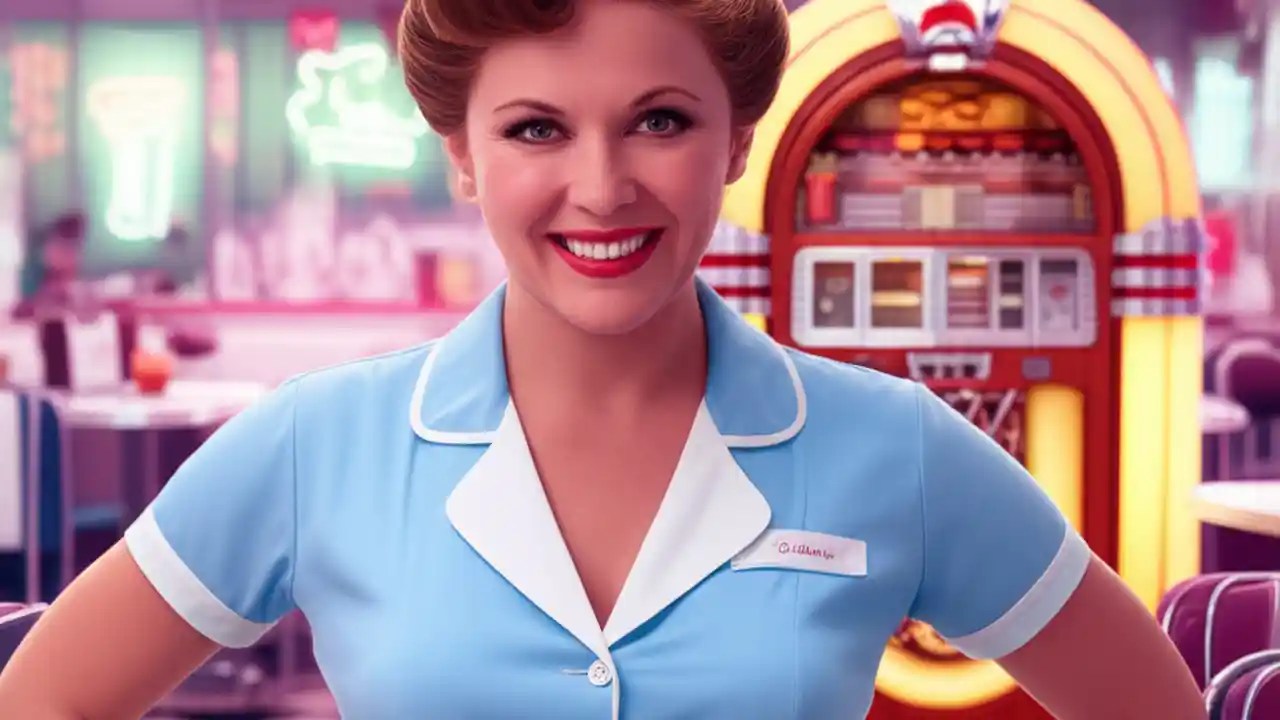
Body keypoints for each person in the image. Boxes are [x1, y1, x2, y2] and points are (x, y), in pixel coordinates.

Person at [0, 0, 1205, 717]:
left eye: (659, 121)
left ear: (735, 139)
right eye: (534, 129)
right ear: (460, 155)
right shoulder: (318, 443)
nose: (600, 187)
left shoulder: (897, 449)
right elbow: (42, 697)